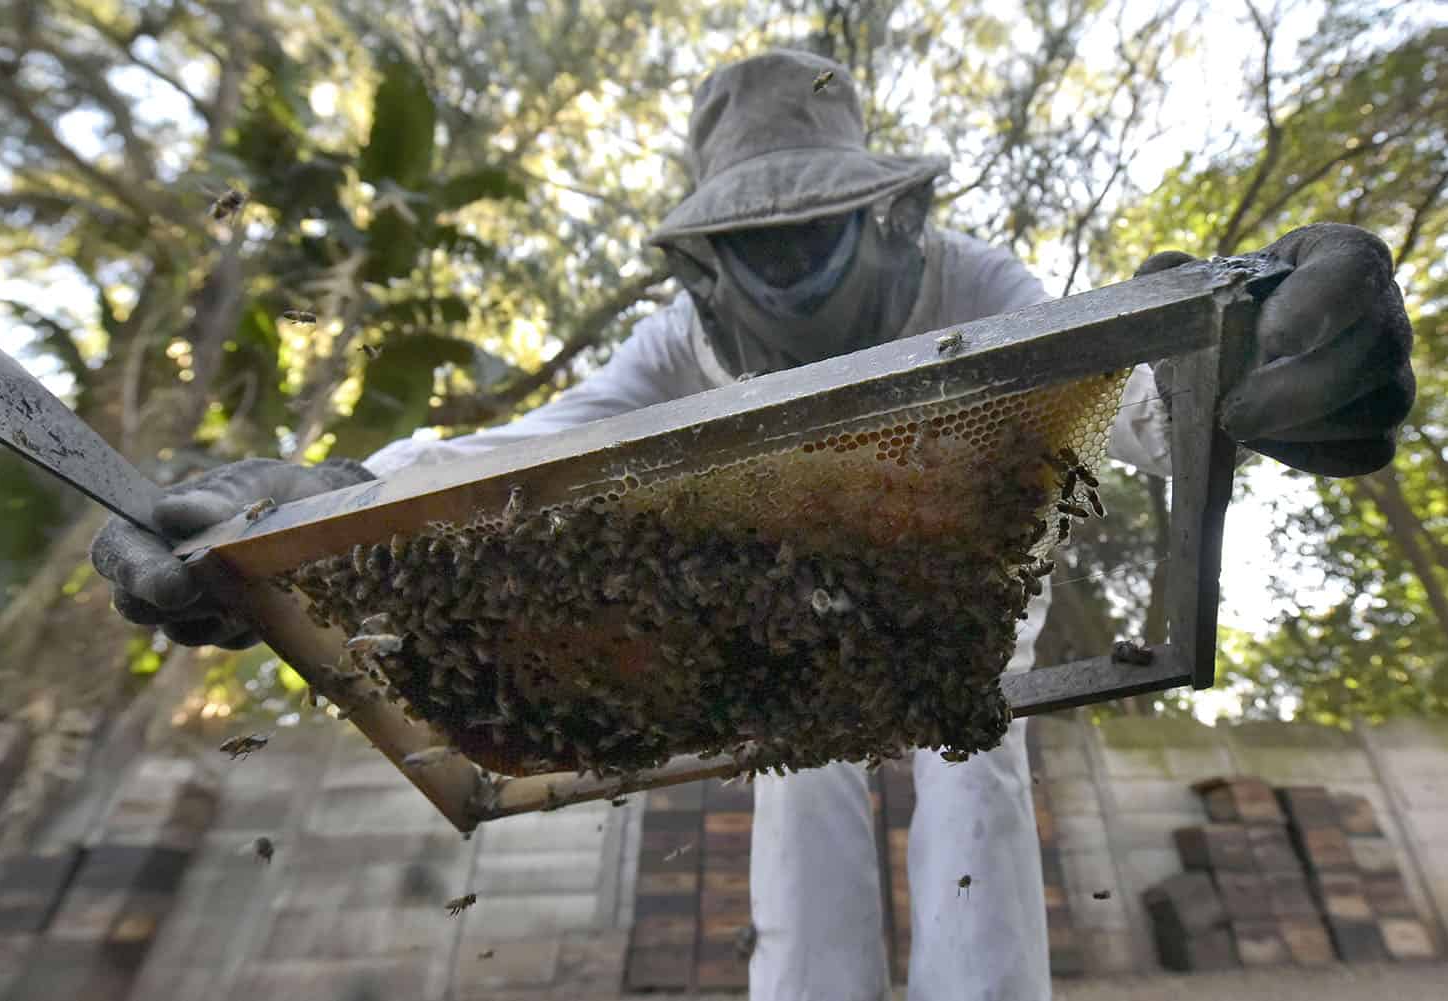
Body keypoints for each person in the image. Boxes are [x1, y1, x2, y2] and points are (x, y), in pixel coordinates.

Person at [92, 50, 1414, 1000]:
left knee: (973, 754)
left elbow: (1128, 389)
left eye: (817, 233)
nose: (792, 268)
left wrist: (1242, 360)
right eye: (762, 245)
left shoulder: (974, 282)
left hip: (963, 574)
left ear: (885, 212)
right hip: (787, 602)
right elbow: (520, 453)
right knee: (801, 769)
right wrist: (312, 504)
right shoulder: (681, 341)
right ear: (706, 263)